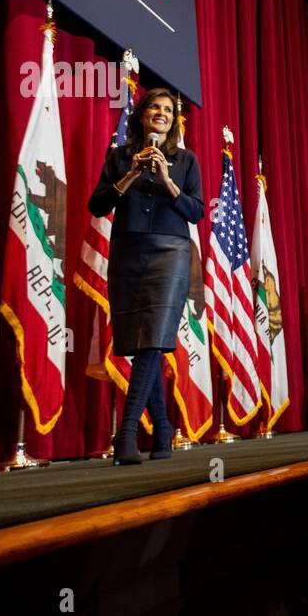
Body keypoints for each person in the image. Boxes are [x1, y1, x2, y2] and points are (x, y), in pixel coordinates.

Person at [88, 87, 204, 465]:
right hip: (128, 251)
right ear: (141, 115)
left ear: (173, 121)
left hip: (170, 253)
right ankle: (164, 429)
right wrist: (132, 173)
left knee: (154, 337)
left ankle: (126, 433)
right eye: (155, 107)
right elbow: (98, 204)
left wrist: (167, 179)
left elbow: (196, 211)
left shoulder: (186, 160)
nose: (161, 113)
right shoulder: (120, 156)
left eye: (168, 110)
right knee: (139, 341)